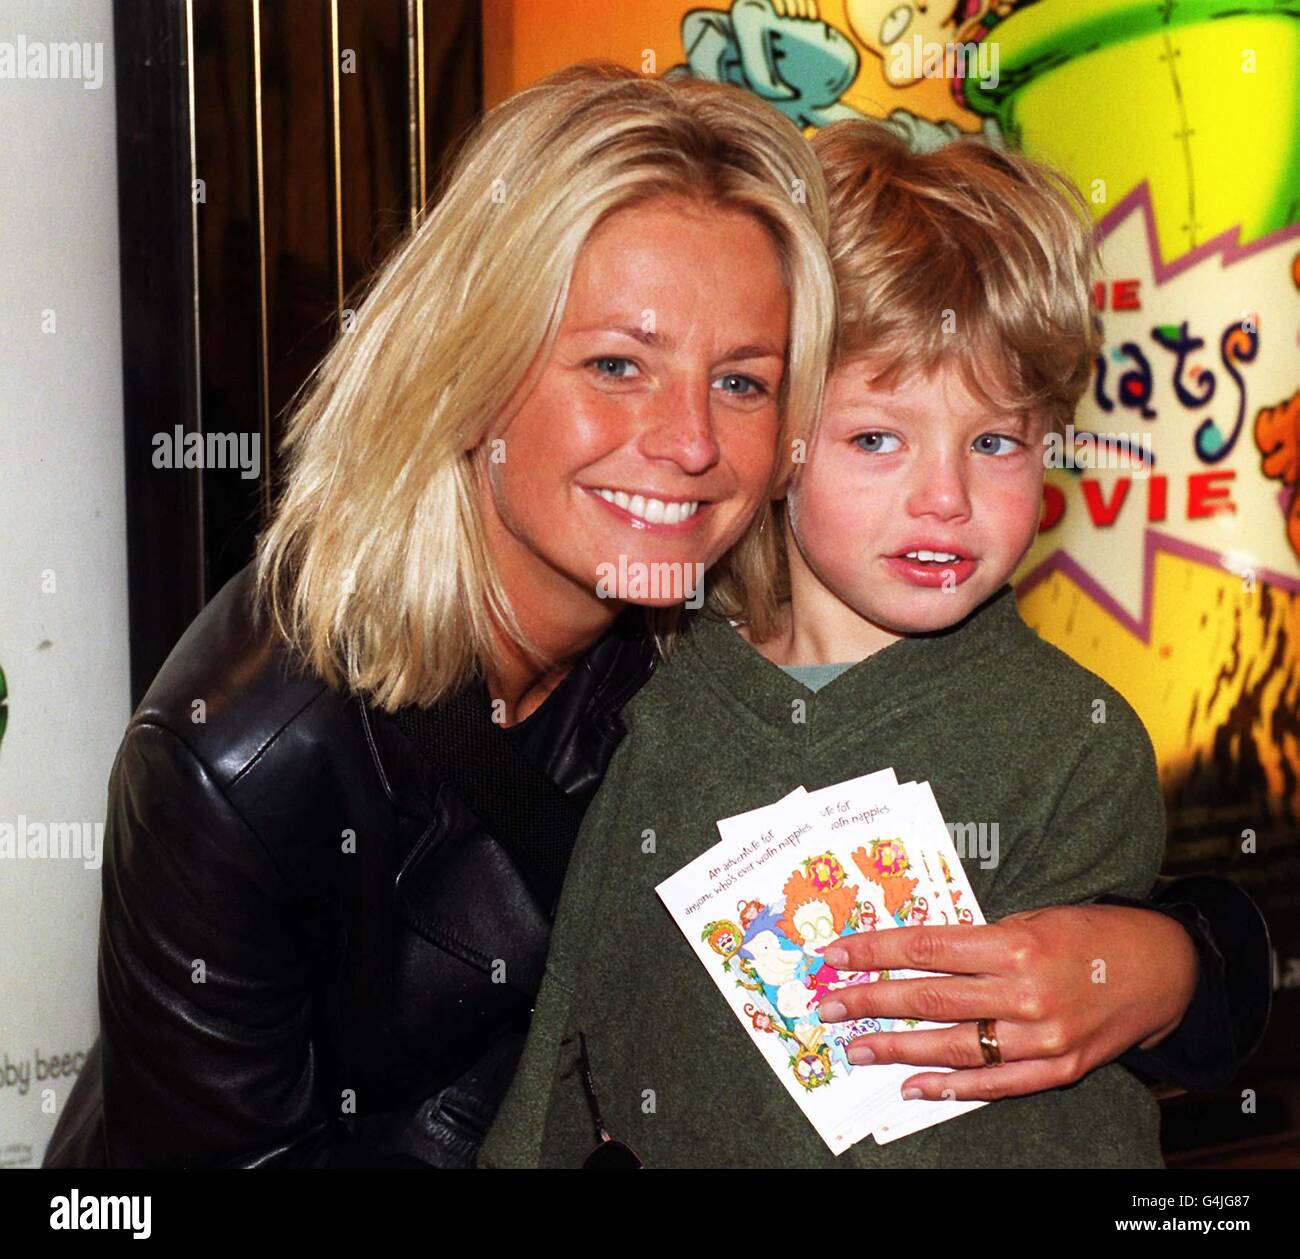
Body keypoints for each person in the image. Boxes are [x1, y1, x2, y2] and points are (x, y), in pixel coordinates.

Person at [41, 61, 838, 1168]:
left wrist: (1150, 959)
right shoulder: (241, 754)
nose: (692, 441)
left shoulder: (716, 644)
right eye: (617, 364)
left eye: (743, 382)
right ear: (469, 363)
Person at [477, 120, 1272, 1170]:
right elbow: (573, 1012)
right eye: (876, 438)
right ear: (780, 439)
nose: (943, 498)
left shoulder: (1073, 741)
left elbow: (1045, 1106)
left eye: (994, 441)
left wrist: (1166, 962)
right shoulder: (654, 689)